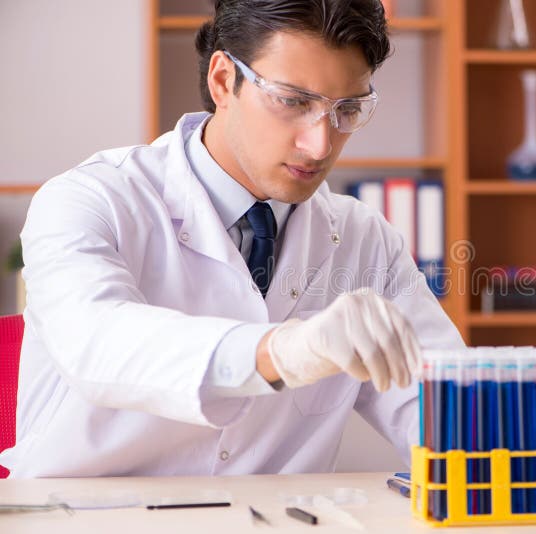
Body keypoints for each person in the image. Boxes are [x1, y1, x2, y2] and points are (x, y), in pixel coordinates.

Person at [0, 0, 464, 478]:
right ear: (223, 80)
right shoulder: (91, 199)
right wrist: (282, 351)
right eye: (293, 101)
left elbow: (444, 413)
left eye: (346, 109)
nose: (320, 145)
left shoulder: (364, 239)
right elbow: (97, 340)